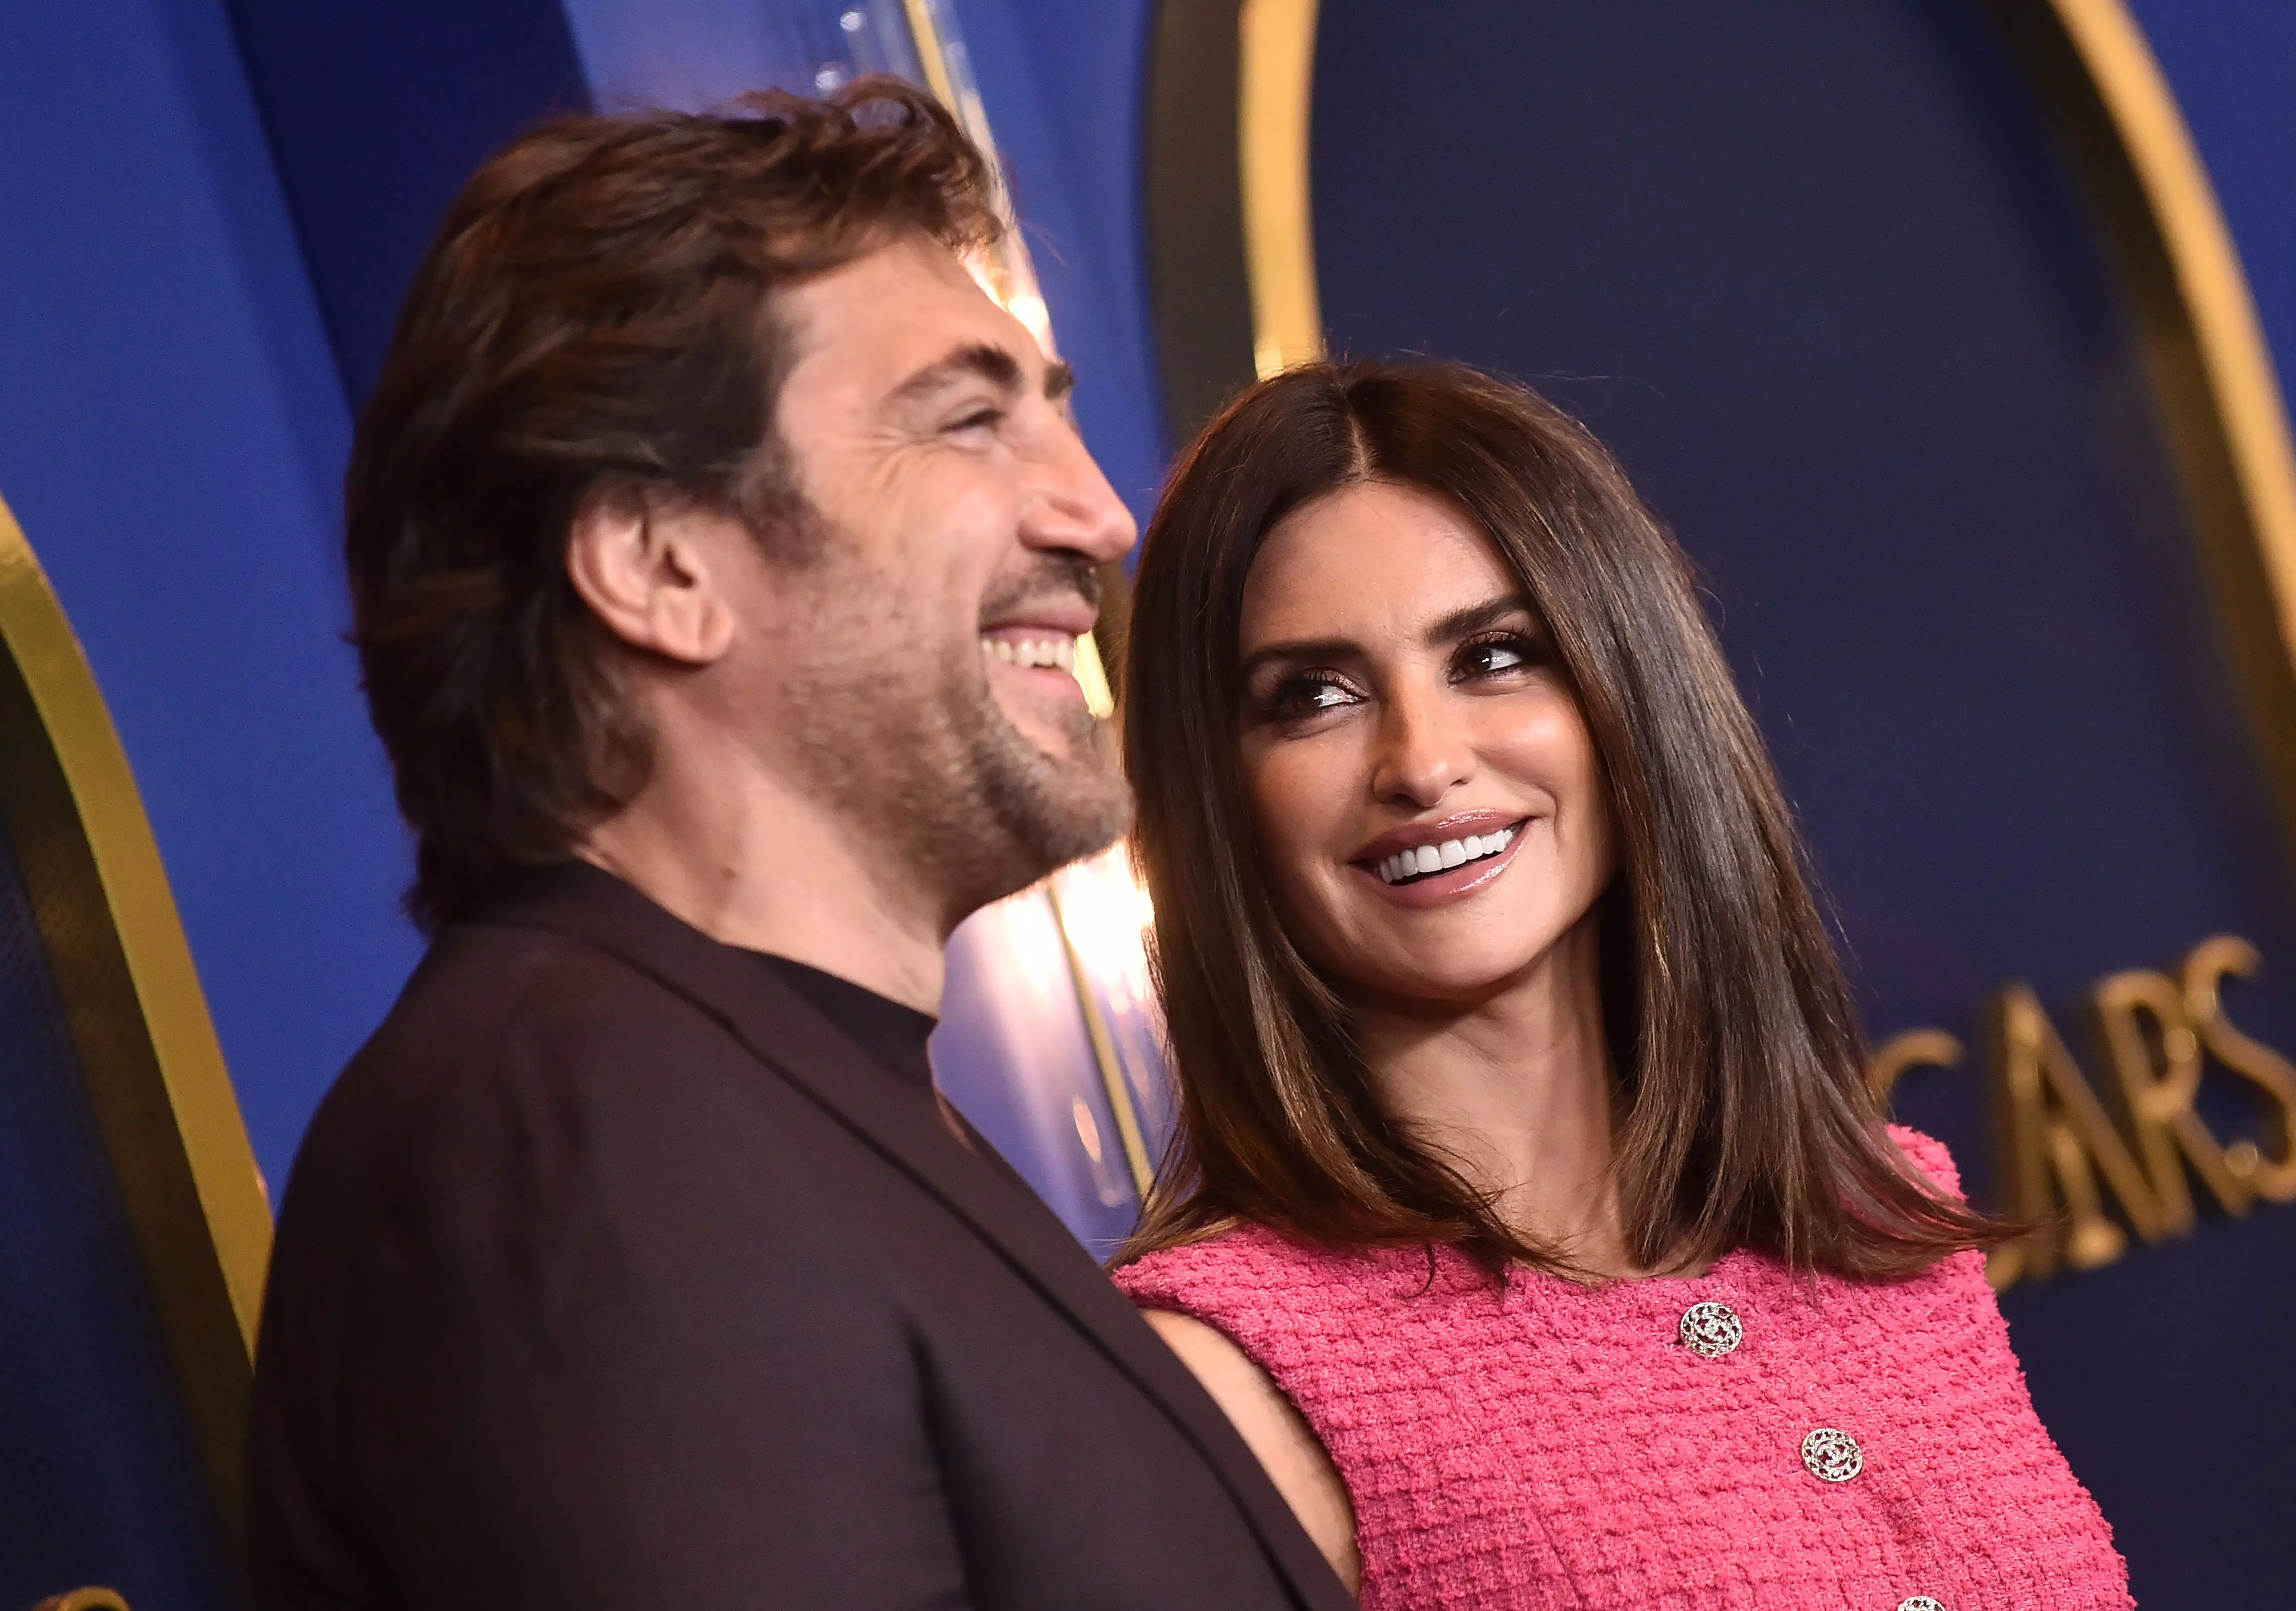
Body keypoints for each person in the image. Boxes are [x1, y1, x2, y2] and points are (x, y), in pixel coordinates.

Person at [244, 83, 1351, 1611]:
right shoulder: (588, 1135)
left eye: (1059, 412)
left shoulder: (773, 1091)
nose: (1101, 515)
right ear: (662, 565)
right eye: (970, 419)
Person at [1110, 358, 2132, 1610]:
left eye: (1492, 657)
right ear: (1219, 800)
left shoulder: (1885, 1216)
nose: (1423, 763)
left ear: (1626, 692)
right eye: (1313, 696)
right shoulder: (1223, 1375)